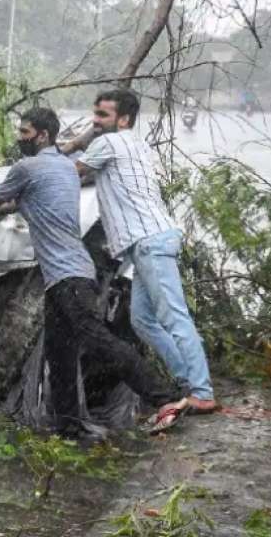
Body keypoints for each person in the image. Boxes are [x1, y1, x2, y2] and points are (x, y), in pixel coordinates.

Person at [0, 107, 187, 437]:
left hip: (68, 278)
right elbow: (11, 203)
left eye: (25, 133)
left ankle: (164, 398)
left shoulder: (28, 167)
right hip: (68, 277)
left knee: (98, 341)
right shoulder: (64, 168)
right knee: (60, 353)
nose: (19, 138)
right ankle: (69, 427)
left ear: (43, 135)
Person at [64, 89, 217, 415]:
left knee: (174, 317)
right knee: (144, 320)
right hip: (151, 241)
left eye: (103, 115)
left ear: (124, 119)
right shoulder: (135, 144)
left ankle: (202, 391)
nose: (95, 120)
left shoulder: (107, 143)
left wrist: (62, 150)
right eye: (95, 113)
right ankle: (186, 381)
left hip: (149, 241)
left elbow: (68, 173)